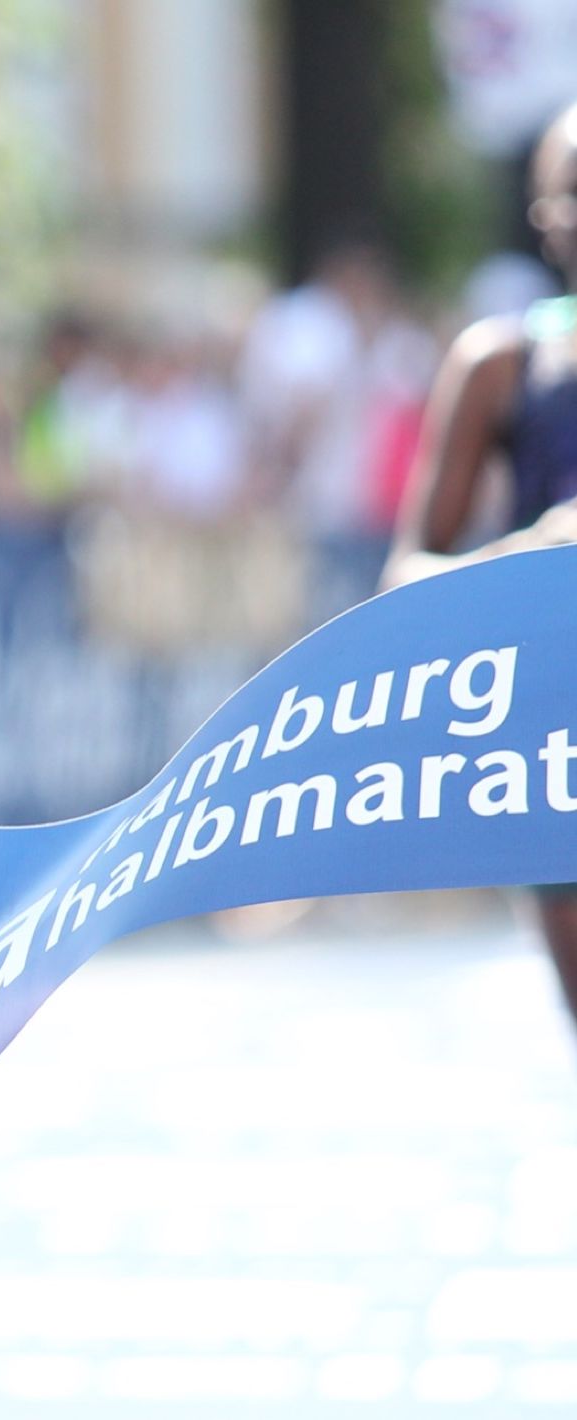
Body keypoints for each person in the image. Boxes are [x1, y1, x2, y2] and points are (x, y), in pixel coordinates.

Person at [387, 100, 577, 1033]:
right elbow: (406, 579)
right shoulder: (505, 364)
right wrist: (541, 553)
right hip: (558, 741)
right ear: (547, 217)